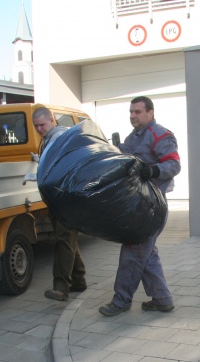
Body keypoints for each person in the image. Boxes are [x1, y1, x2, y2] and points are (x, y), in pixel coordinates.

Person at [99, 96, 181, 316]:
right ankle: (162, 299)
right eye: (131, 112)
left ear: (150, 113)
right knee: (146, 255)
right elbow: (125, 159)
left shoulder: (160, 135)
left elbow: (173, 164)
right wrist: (116, 148)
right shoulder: (133, 137)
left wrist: (153, 170)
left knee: (133, 253)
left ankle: (121, 301)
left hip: (153, 207)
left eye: (137, 112)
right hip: (138, 205)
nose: (132, 116)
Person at [32, 106, 87, 301]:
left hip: (65, 198)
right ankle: (79, 281)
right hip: (60, 198)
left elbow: (59, 168)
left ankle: (61, 287)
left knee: (64, 239)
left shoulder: (58, 138)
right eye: (36, 126)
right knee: (68, 238)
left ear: (52, 120)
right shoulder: (50, 138)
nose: (39, 129)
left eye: (42, 124)